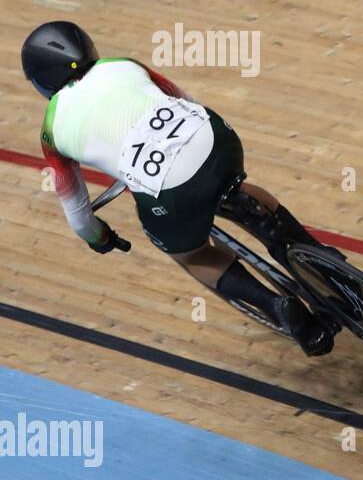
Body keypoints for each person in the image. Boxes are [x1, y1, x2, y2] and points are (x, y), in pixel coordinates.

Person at [23, 21, 334, 356]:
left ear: (42, 81)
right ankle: (317, 252)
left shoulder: (52, 131)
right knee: (239, 187)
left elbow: (78, 213)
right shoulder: (122, 65)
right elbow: (183, 99)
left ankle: (279, 307)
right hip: (216, 138)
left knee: (191, 253)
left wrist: (99, 238)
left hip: (171, 193)